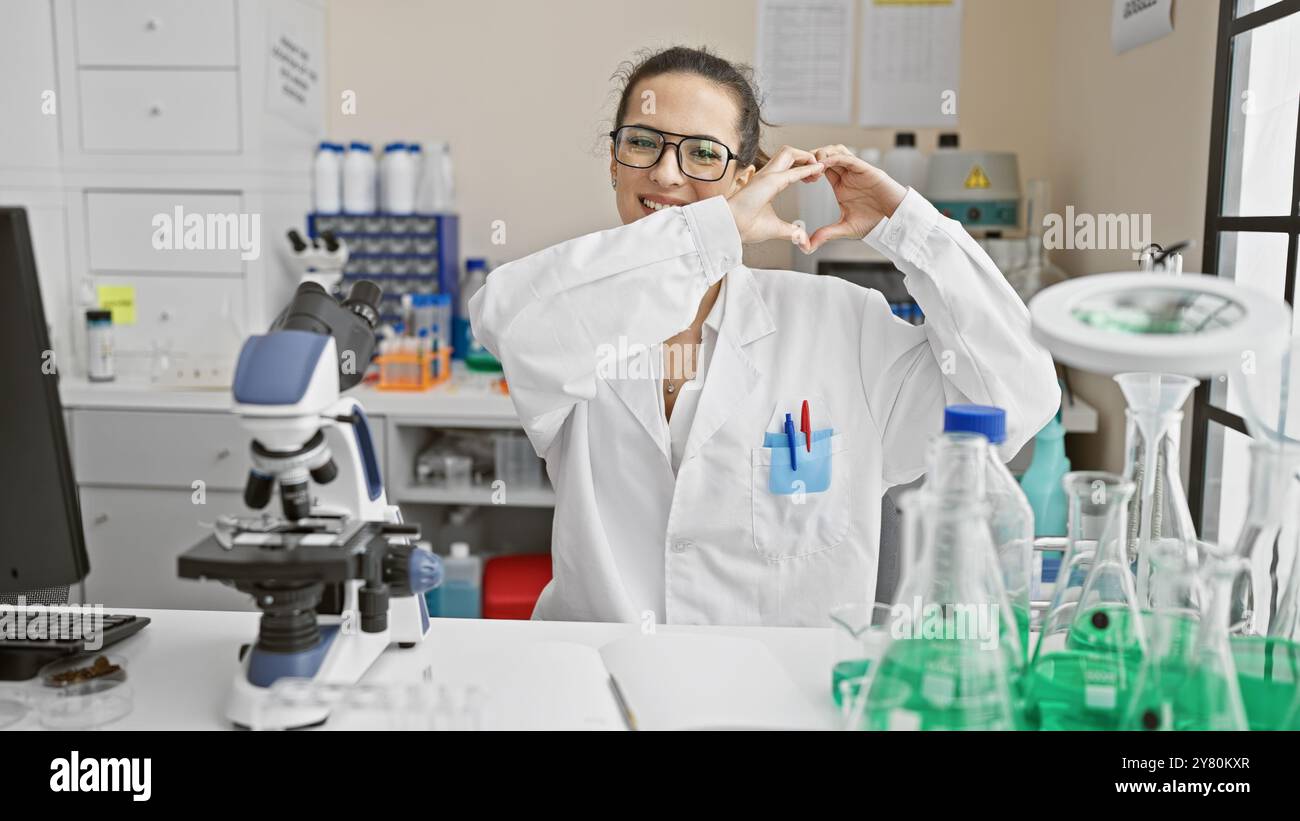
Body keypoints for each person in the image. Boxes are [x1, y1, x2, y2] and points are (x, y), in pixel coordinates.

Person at [470, 46, 1060, 626]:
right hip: (599, 688)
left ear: (746, 178)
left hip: (780, 694)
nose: (666, 172)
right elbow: (506, 320)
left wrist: (909, 226)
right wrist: (715, 229)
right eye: (643, 143)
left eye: (704, 153)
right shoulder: (577, 313)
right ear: (614, 159)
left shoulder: (839, 324)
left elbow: (1015, 402)